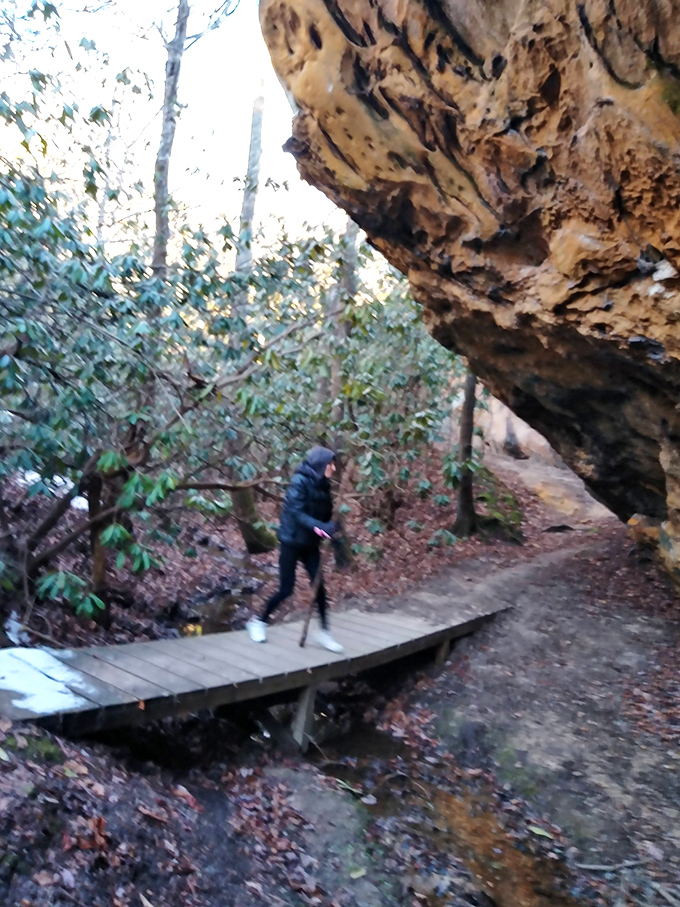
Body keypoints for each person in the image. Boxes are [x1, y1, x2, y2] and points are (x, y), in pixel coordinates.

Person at [246, 446, 344, 653]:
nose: (334, 468)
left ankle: (324, 632)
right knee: (286, 589)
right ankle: (259, 622)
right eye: (330, 464)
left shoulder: (323, 485)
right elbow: (297, 513)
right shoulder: (299, 482)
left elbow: (325, 514)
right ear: (320, 465)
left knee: (319, 587)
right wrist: (319, 526)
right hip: (291, 542)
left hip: (310, 545)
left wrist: (332, 528)